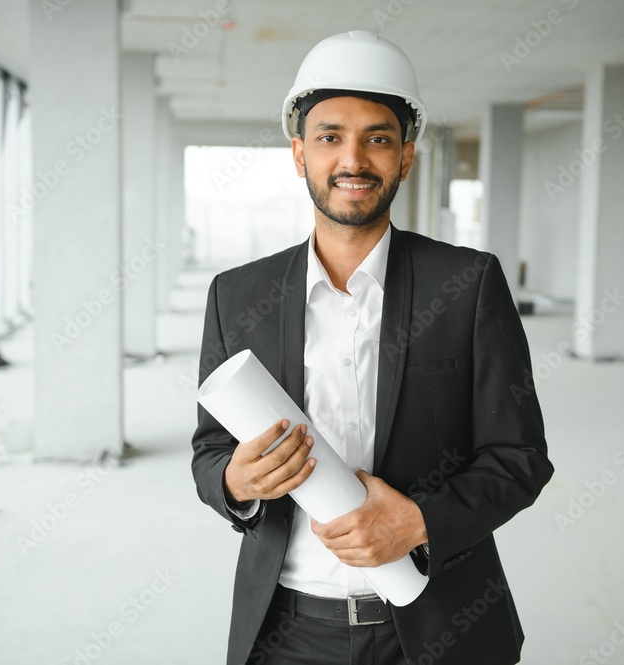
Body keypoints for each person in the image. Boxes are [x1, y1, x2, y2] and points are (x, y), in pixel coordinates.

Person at [191, 29, 554, 665]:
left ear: (406, 157)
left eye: (377, 139)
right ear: (299, 153)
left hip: (437, 623)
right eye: (330, 137)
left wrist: (420, 521)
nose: (353, 160)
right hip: (287, 631)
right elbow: (209, 451)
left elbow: (520, 457)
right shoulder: (237, 295)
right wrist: (236, 481)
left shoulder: (467, 284)